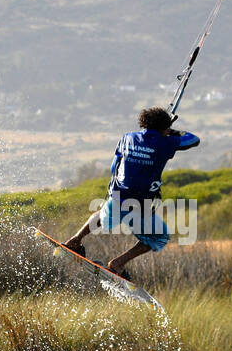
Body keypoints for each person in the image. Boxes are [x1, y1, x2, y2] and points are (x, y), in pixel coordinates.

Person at [63, 106, 199, 278]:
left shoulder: (127, 138)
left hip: (119, 195)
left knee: (104, 212)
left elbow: (114, 167)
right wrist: (172, 131)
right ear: (164, 127)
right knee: (159, 238)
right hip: (141, 204)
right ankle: (117, 264)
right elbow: (193, 140)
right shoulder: (166, 142)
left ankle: (75, 240)